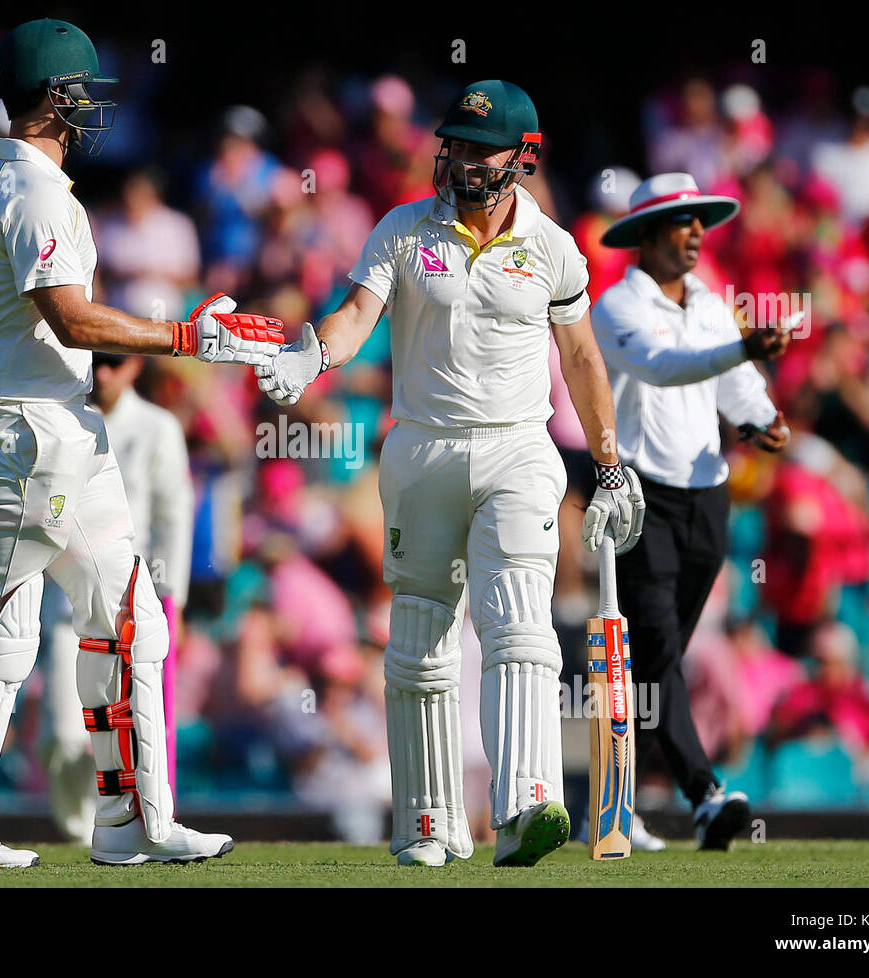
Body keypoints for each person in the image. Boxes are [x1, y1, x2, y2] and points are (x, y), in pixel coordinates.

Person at [0, 18, 286, 868]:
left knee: (130, 622)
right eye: (81, 90)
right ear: (54, 98)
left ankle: (132, 820)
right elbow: (70, 317)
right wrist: (187, 340)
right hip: (36, 438)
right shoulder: (38, 196)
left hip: (52, 430)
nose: (91, 106)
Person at [255, 80, 645, 867]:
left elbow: (579, 357)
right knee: (421, 637)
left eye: (480, 148)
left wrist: (608, 465)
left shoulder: (554, 248)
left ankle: (527, 804)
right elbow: (359, 313)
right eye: (456, 144)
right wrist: (313, 355)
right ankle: (430, 823)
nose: (462, 160)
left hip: (518, 448)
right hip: (422, 447)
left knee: (519, 619)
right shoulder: (403, 229)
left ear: (524, 157)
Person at [589, 171, 792, 850]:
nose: (699, 231)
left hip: (708, 495)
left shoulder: (709, 304)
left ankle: (617, 808)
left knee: (659, 657)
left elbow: (734, 383)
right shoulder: (617, 306)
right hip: (642, 498)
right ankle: (706, 795)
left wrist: (760, 417)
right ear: (647, 235)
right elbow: (662, 366)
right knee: (660, 650)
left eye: (702, 219)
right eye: (684, 221)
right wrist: (743, 349)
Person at [41, 353, 193, 841]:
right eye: (96, 360)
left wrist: (175, 600)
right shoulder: (61, 418)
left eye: (114, 362)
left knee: (123, 724)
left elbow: (174, 515)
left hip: (133, 598)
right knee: (65, 737)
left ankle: (118, 826)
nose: (102, 372)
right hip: (65, 602)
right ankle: (79, 830)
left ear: (133, 367)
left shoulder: (156, 427)